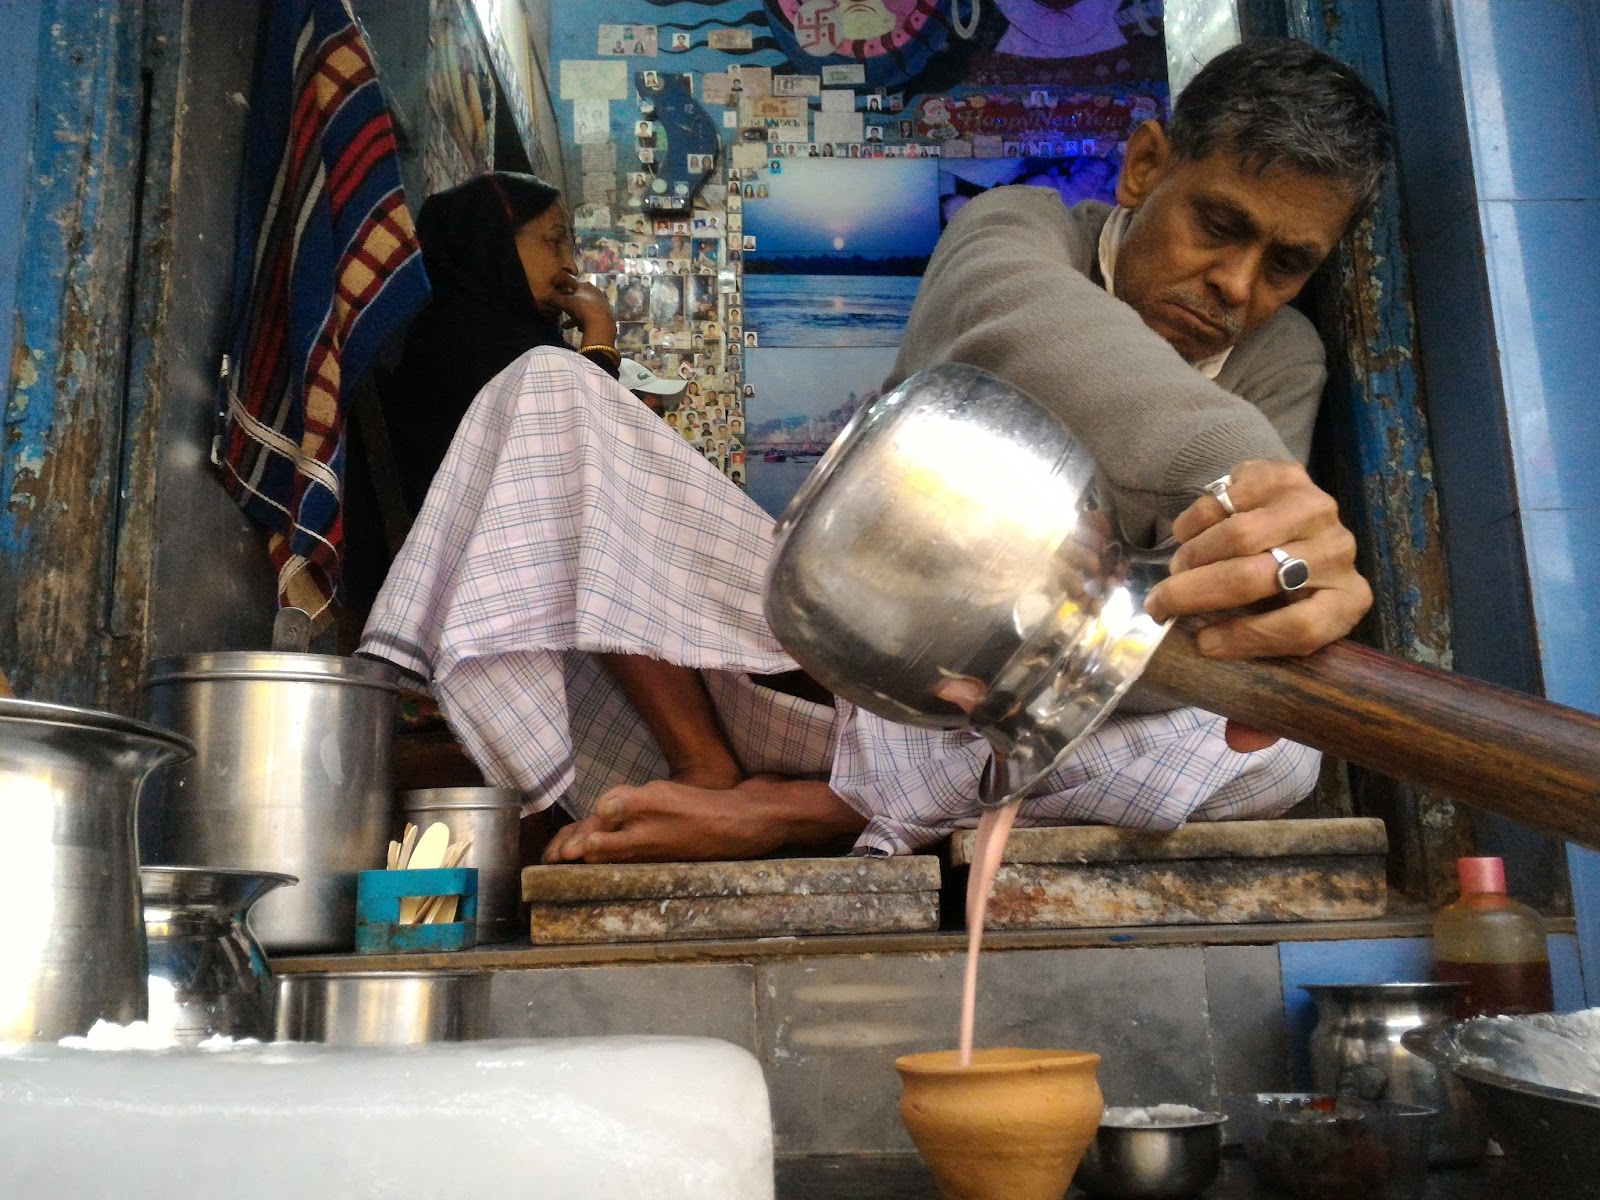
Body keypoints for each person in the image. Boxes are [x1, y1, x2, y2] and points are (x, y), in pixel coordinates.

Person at [362, 39, 1384, 864]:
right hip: (821, 665)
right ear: (1145, 164)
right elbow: (1017, 325)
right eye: (1218, 225)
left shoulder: (1278, 358)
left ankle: (800, 815)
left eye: (1285, 264)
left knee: (1280, 748)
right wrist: (1254, 483)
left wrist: (1251, 579)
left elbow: (1205, 650)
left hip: (1018, 734)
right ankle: (707, 770)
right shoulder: (1018, 230)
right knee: (549, 395)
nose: (1236, 286)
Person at [380, 173, 620, 516]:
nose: (570, 264)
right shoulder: (466, 346)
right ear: (494, 243)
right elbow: (575, 462)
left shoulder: (494, 334)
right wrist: (599, 335)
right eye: (555, 242)